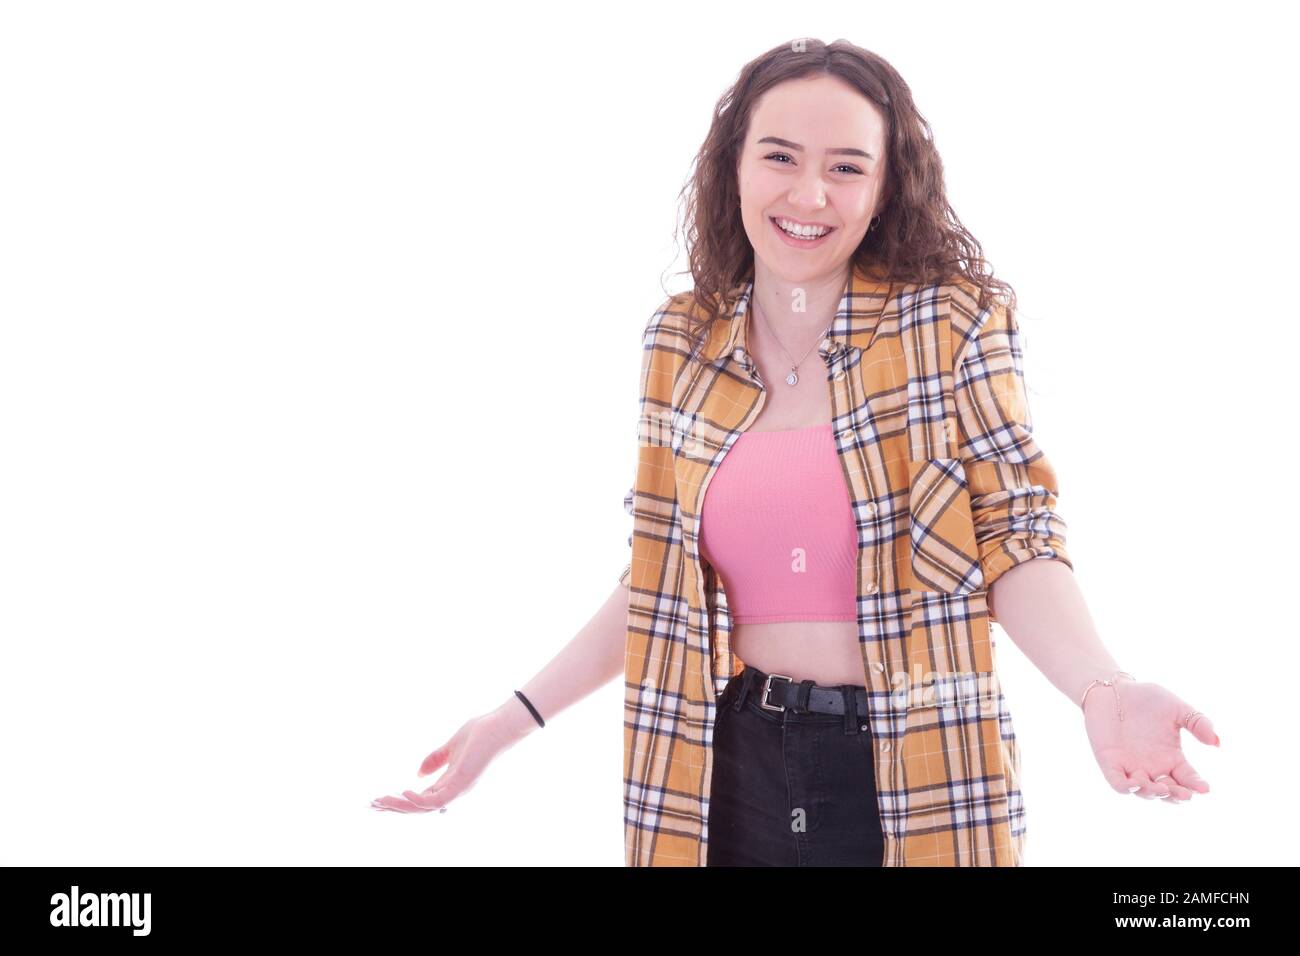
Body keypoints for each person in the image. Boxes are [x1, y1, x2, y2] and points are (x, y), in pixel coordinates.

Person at [370, 38, 1219, 866]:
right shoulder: (680, 343)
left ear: (884, 190)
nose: (808, 193)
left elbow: (1014, 538)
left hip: (911, 760)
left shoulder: (951, 324)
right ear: (734, 165)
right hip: (721, 767)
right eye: (780, 156)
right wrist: (508, 722)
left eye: (847, 166)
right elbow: (657, 577)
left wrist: (1102, 688)